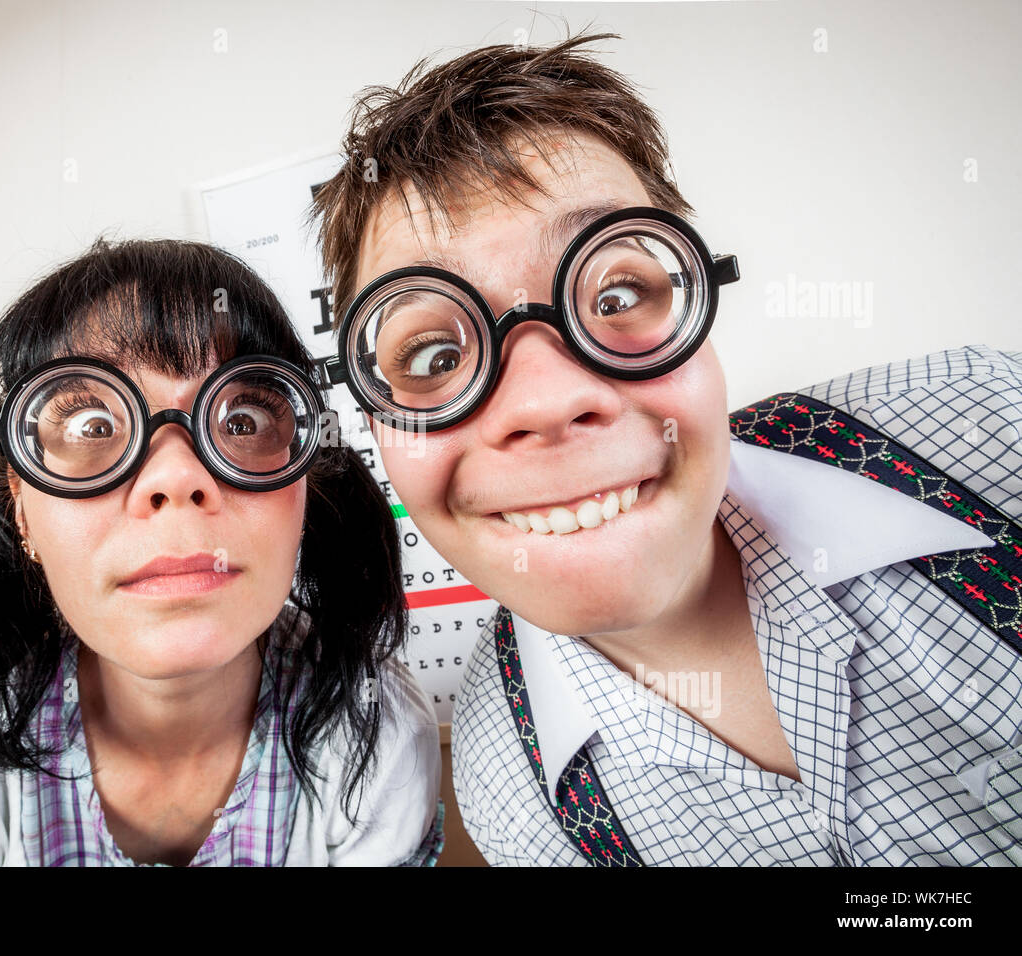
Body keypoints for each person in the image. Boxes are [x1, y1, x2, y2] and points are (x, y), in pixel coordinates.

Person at [307, 32, 1022, 865]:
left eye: (615, 293)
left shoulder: (989, 424)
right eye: (435, 356)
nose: (546, 400)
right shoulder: (513, 790)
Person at [0, 238, 445, 866]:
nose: (175, 477)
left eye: (242, 422)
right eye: (93, 427)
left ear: (304, 479)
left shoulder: (379, 736)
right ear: (21, 505)